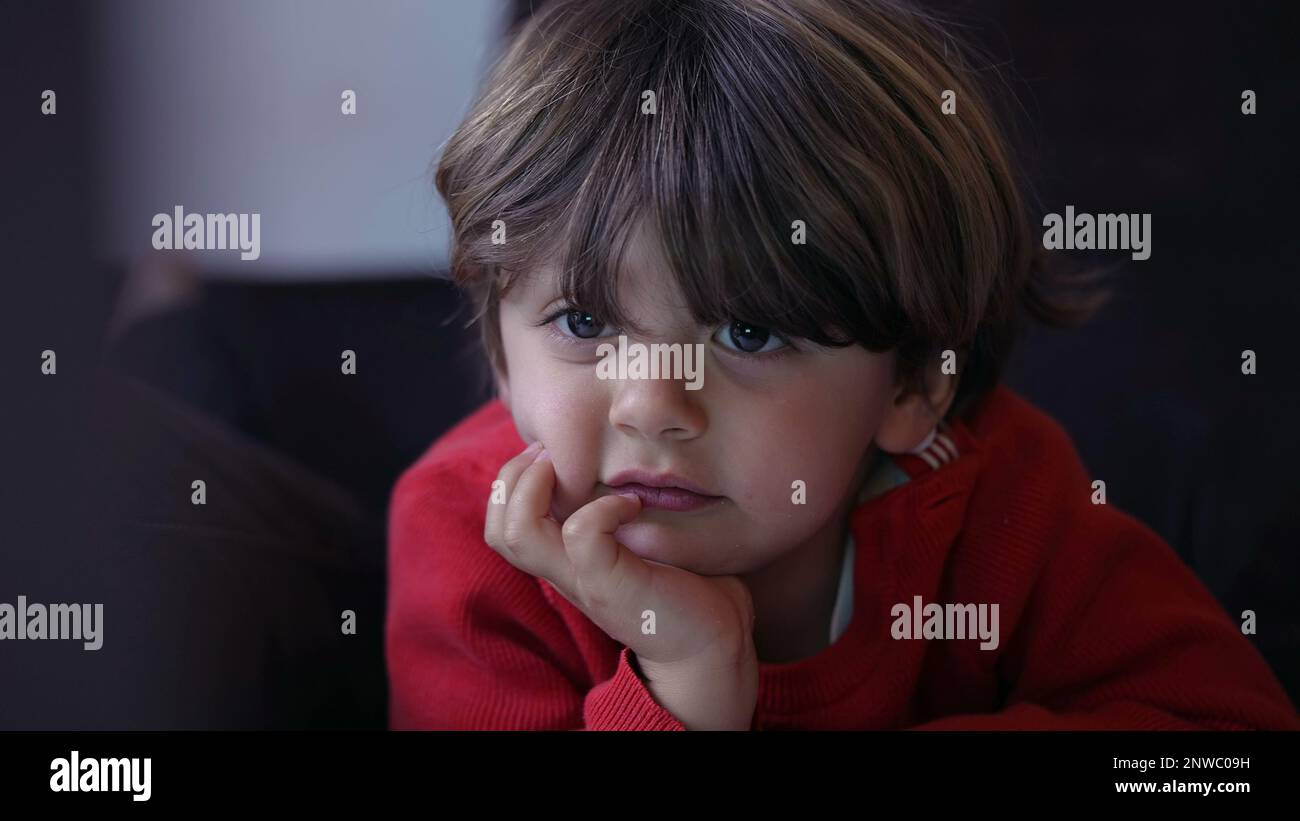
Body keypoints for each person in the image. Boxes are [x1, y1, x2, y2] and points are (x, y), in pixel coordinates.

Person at [385, 0, 1299, 729]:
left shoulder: (1000, 495)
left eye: (749, 334)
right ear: (498, 354)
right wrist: (683, 693)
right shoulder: (472, 540)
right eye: (583, 319)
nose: (651, 406)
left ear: (913, 386)